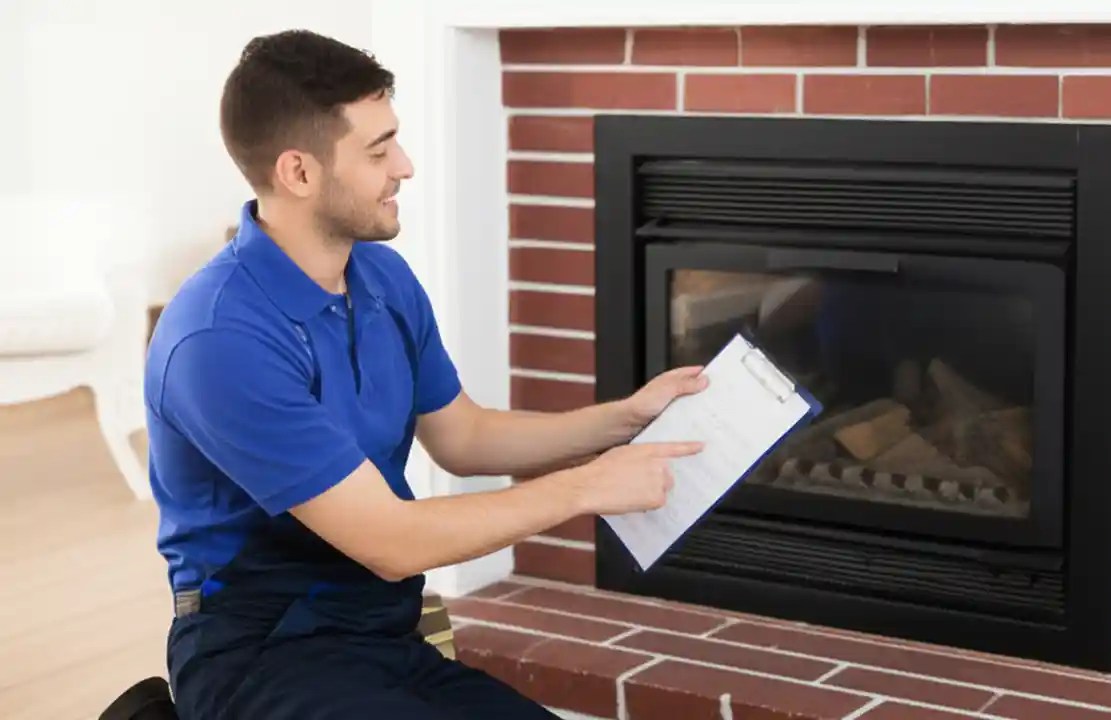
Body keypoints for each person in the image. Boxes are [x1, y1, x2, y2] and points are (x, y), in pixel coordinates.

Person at [145, 29, 705, 719]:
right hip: (261, 654)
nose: (404, 166)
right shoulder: (219, 337)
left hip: (379, 636)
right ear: (298, 172)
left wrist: (625, 419)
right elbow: (392, 541)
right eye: (379, 151)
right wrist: (588, 487)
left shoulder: (378, 276)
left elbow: (464, 436)